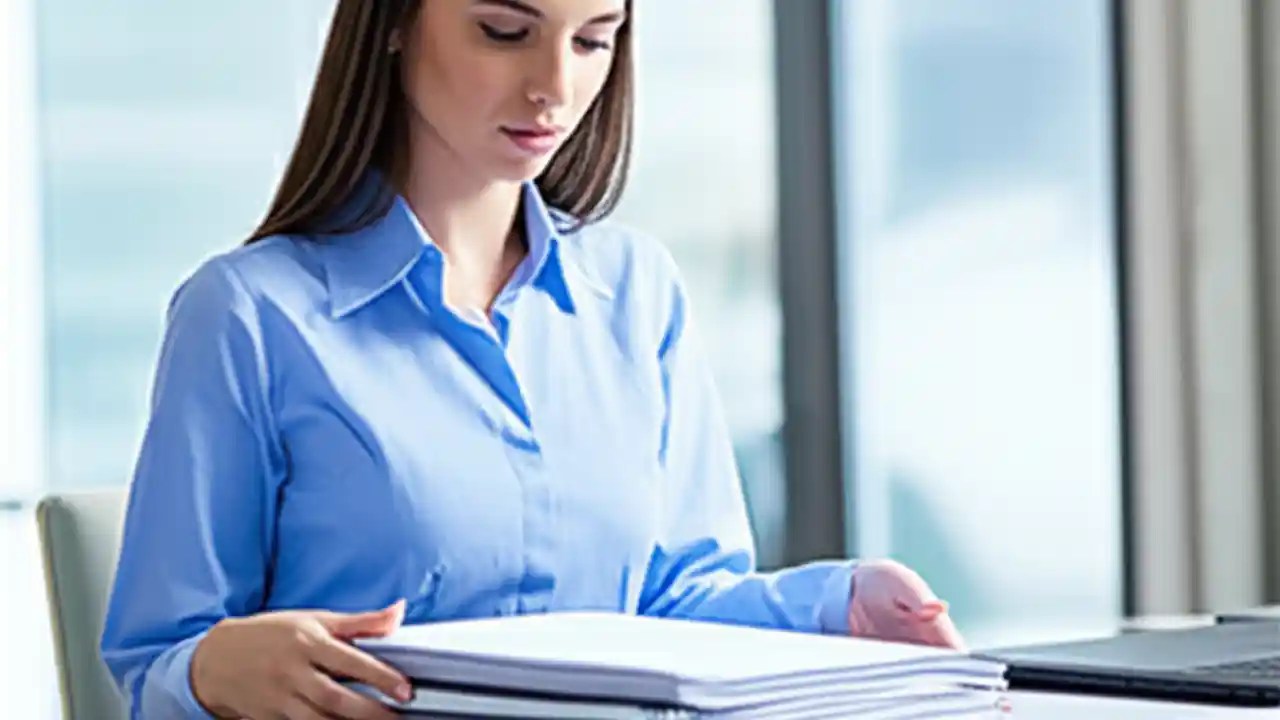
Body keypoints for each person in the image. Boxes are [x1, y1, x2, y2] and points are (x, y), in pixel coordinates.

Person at [100, 1, 964, 718]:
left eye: (592, 41)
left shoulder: (636, 292)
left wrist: (838, 606)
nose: (555, 86)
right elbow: (153, 665)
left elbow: (669, 608)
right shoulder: (249, 315)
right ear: (395, 22)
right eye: (504, 32)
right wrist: (215, 670)